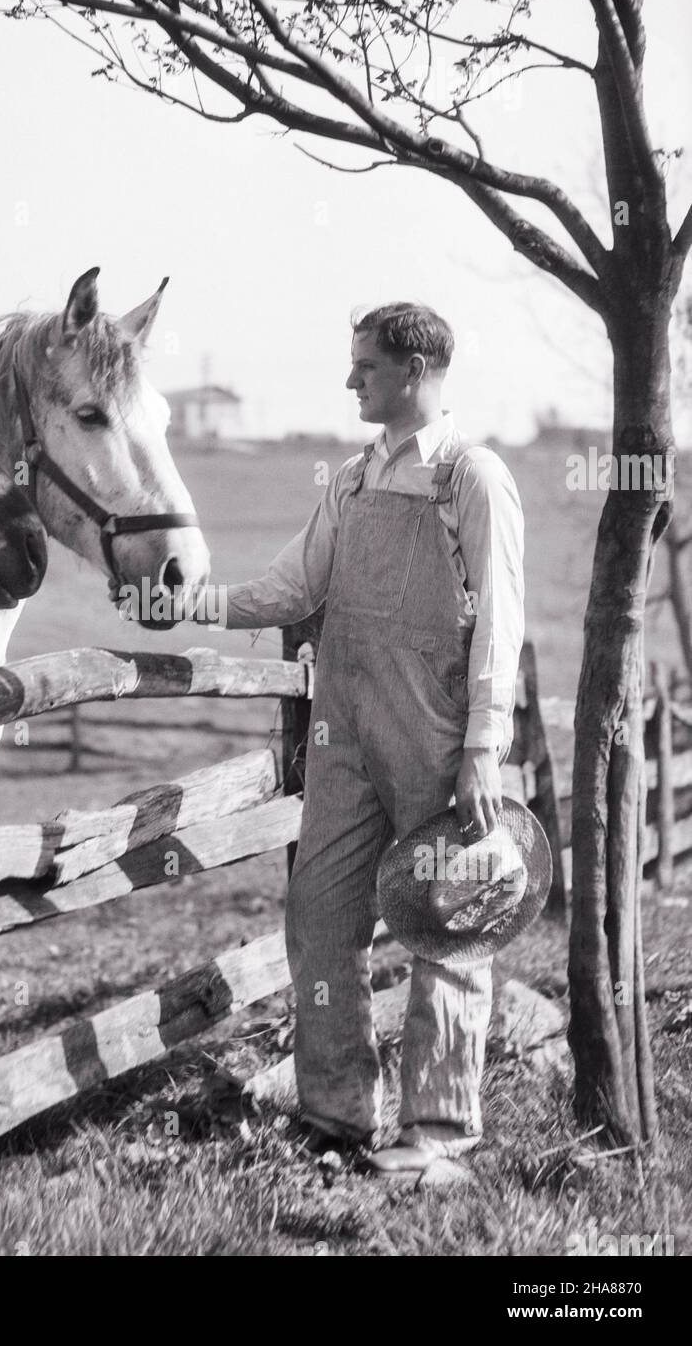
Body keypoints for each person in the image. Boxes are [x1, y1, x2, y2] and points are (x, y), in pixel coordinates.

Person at [197, 302, 524, 1173]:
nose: (350, 382)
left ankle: (436, 1134)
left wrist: (482, 748)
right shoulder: (348, 479)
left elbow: (499, 619)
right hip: (345, 735)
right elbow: (289, 587)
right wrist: (185, 603)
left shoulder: (470, 477)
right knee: (319, 912)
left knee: (447, 920)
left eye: (365, 368)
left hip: (437, 734)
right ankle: (338, 1110)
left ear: (414, 372)